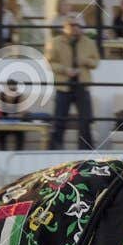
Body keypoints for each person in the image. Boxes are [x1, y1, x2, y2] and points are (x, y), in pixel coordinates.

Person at [45, 15, 99, 148]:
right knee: (59, 121)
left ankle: (86, 153)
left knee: (85, 121)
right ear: (65, 27)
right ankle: (54, 152)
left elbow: (96, 62)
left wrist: (85, 61)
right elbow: (49, 62)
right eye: (72, 25)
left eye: (78, 25)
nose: (75, 28)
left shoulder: (89, 42)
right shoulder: (55, 42)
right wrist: (65, 70)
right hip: (64, 87)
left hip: (82, 85)